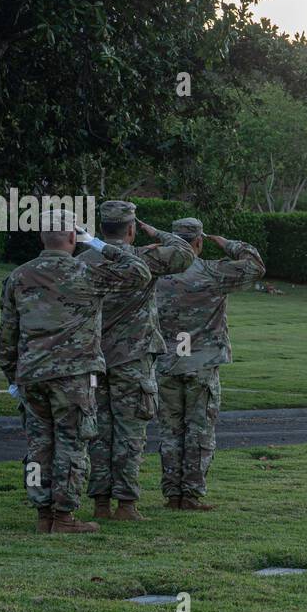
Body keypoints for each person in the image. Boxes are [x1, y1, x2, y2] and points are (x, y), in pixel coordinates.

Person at [0, 209, 151, 534]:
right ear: (72, 237)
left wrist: (12, 377)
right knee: (72, 444)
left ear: (42, 237)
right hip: (74, 377)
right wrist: (96, 243)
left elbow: (7, 335)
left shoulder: (19, 276)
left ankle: (43, 514)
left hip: (31, 375)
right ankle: (64, 517)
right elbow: (139, 272)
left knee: (39, 445)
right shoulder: (86, 272)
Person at [81, 200, 194, 521]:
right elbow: (185, 253)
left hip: (94, 357)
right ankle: (126, 505)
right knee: (130, 431)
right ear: (131, 229)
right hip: (133, 358)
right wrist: (156, 231)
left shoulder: (84, 260)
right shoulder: (144, 257)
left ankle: (100, 503)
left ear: (102, 228)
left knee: (99, 430)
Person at [155, 218, 265, 510]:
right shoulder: (211, 272)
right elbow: (255, 265)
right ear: (198, 243)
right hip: (201, 363)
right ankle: (190, 494)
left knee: (170, 431)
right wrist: (228, 243)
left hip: (165, 362)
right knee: (199, 430)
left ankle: (172, 493)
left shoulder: (156, 273)